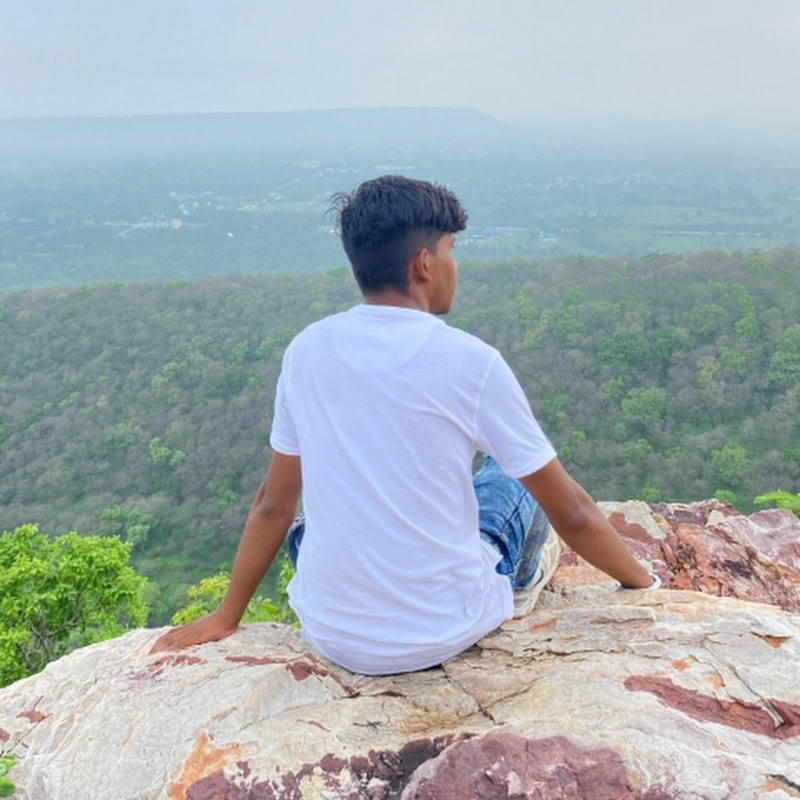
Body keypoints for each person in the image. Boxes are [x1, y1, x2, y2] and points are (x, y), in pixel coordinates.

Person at [151, 175, 655, 673]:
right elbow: (573, 512)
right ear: (423, 264)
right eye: (450, 251)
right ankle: (517, 584)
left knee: (307, 526)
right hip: (443, 630)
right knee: (512, 471)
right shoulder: (471, 362)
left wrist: (227, 616)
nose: (454, 267)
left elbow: (273, 504)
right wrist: (646, 587)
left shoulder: (306, 350)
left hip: (333, 634)